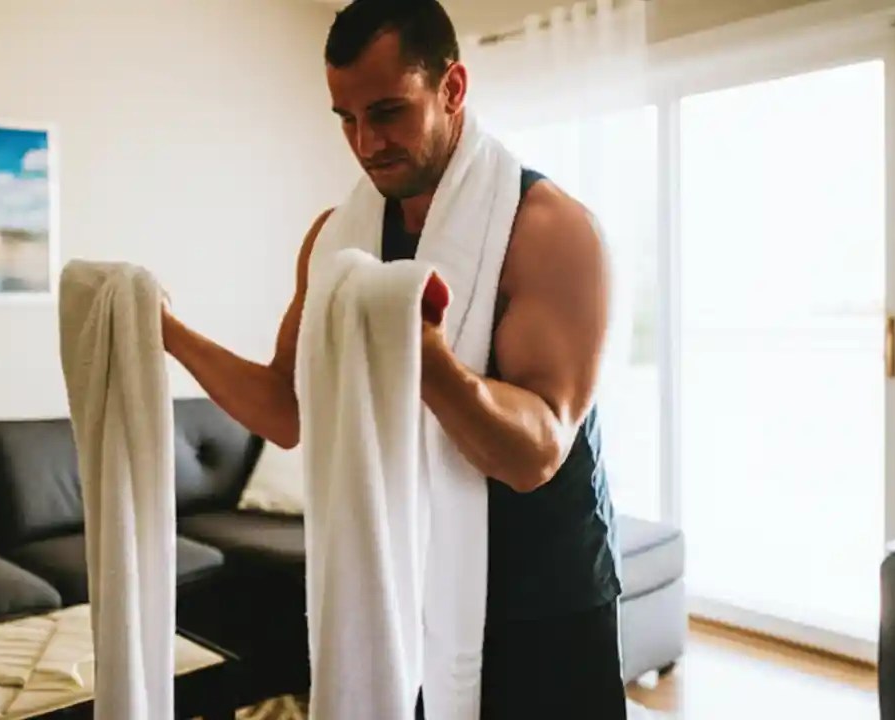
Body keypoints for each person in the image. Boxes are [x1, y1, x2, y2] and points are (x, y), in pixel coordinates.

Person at [160, 1, 625, 717]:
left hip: (546, 595)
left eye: (388, 111)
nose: (366, 142)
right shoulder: (337, 240)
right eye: (345, 119)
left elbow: (537, 453)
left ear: (453, 88)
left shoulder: (549, 230)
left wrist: (430, 361)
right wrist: (165, 330)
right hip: (401, 577)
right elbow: (285, 412)